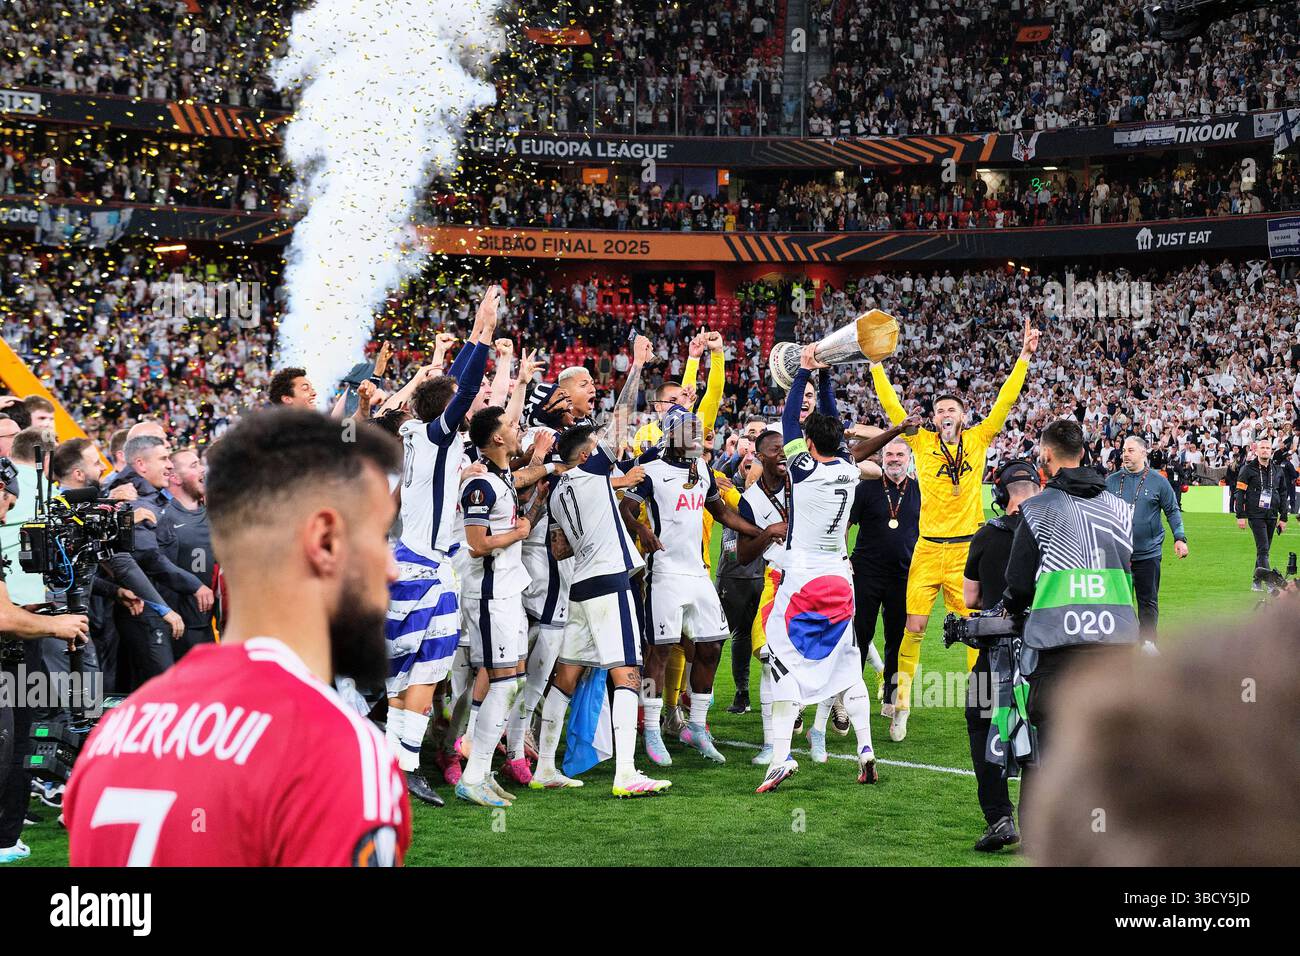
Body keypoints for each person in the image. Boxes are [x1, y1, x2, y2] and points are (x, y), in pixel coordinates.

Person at [65, 409, 410, 866]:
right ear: (324, 540)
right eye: (377, 536)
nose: (392, 569)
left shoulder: (117, 730)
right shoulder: (332, 750)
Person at [869, 318, 1039, 740]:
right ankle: (901, 704)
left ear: (964, 416)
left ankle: (980, 703)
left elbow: (1004, 402)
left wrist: (1024, 358)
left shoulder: (980, 439)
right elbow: (892, 408)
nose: (945, 413)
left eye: (951, 409)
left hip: (966, 551)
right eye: (939, 409)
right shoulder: (921, 442)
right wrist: (875, 367)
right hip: (927, 550)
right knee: (913, 627)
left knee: (973, 630)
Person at [533, 334, 671, 797]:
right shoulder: (593, 470)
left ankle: (545, 767)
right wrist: (635, 366)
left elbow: (558, 549)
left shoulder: (557, 489)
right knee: (627, 669)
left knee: (567, 673)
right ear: (588, 454)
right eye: (596, 444)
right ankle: (626, 774)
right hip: (611, 582)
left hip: (580, 587)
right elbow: (625, 415)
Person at [384, 285, 497, 807]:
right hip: (427, 568)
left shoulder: (412, 433)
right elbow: (468, 387)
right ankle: (403, 770)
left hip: (410, 560)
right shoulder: (433, 435)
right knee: (425, 670)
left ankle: (396, 767)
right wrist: (481, 334)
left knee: (404, 673)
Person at [1003, 419, 1139, 833]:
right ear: (1085, 452)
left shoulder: (1038, 508)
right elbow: (1138, 572)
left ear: (1045, 455)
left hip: (1059, 646)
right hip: (1117, 644)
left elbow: (1018, 584)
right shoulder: (1121, 508)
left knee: (1048, 747)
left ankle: (1042, 832)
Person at [757, 345, 879, 794]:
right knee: (847, 663)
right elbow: (830, 426)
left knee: (779, 659)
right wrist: (824, 380)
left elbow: (790, 423)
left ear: (808, 445)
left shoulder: (803, 468)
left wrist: (804, 372)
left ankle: (780, 755)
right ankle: (865, 749)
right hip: (840, 578)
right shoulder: (849, 467)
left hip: (804, 576)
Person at [620, 405, 771, 766]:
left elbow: (721, 513)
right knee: (660, 651)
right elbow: (625, 509)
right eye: (690, 431)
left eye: (700, 431)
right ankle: (654, 729)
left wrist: (761, 532)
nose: (700, 437)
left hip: (697, 573)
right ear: (671, 434)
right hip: (664, 573)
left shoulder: (702, 469)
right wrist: (642, 529)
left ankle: (697, 727)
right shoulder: (650, 472)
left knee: (712, 645)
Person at [454, 405, 549, 806]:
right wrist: (520, 531)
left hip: (507, 592)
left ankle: (479, 771)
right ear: (496, 438)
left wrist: (544, 462)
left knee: (509, 681)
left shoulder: (499, 476)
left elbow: (524, 475)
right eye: (511, 426)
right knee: (502, 682)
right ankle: (472, 774)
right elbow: (477, 545)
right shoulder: (479, 485)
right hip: (489, 595)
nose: (517, 429)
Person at [0, 459, 91, 864]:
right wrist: (57, 626)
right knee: (8, 748)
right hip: (11, 651)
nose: (5, 513)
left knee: (19, 739)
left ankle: (7, 837)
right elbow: (2, 617)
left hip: (14, 656)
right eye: (6, 502)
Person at [961, 458, 1040, 853]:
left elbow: (970, 598)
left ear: (999, 493)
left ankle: (1000, 818)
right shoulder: (1055, 533)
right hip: (1042, 654)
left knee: (981, 726)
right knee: (1040, 734)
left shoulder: (986, 535)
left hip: (993, 656)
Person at [846, 433, 920, 729]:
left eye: (899, 456)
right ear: (881, 459)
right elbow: (845, 524)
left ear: (908, 460)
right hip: (865, 572)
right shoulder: (866, 488)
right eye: (889, 455)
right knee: (860, 635)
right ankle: (851, 695)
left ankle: (891, 697)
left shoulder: (919, 491)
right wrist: (843, 557)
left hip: (903, 574)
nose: (893, 460)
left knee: (895, 638)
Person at [1105, 435, 1188, 645]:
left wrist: (1180, 538)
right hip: (1116, 555)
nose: (1125, 453)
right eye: (1124, 450)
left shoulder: (1158, 481)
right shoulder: (1110, 482)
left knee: (1148, 602)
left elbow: (1172, 511)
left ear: (1144, 452)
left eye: (1131, 450)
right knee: (1115, 603)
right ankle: (1117, 645)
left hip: (1147, 553)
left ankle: (1148, 644)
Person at [162, 447, 217, 655]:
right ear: (175, 477)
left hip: (209, 621)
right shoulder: (164, 516)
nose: (202, 469)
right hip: (180, 626)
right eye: (194, 465)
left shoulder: (212, 512)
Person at [1234, 437, 1289, 589]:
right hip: (1255, 514)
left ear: (1271, 451)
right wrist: (1240, 515)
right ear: (1256, 450)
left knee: (1263, 551)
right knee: (1263, 549)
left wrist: (1283, 517)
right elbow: (1239, 492)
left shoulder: (1278, 470)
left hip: (1272, 514)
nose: (1265, 450)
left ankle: (1256, 581)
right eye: (1262, 448)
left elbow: (1283, 494)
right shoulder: (1248, 469)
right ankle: (1271, 584)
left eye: (1268, 448)